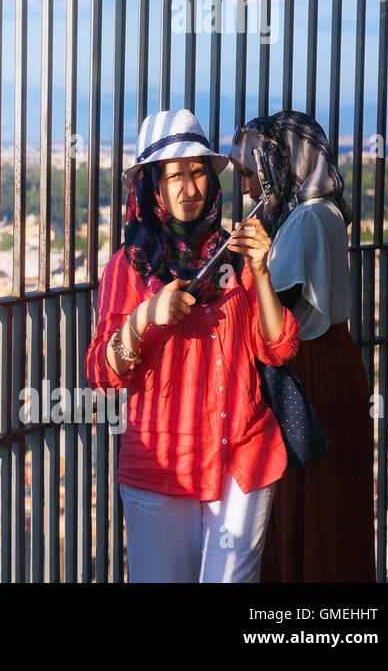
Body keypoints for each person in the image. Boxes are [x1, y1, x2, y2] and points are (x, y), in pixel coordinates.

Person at [86, 108, 299, 583]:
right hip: (164, 464)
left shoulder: (233, 255)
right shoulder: (129, 269)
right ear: (151, 187)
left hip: (242, 455)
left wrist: (261, 271)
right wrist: (146, 316)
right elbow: (102, 373)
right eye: (174, 176)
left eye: (198, 172)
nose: (188, 189)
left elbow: (278, 348)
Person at [228, 112, 376, 582]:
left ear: (284, 162)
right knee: (333, 500)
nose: (250, 187)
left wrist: (247, 264)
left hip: (308, 370)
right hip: (334, 359)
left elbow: (275, 308)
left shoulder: (305, 219)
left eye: (253, 171)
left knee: (304, 500)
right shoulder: (325, 210)